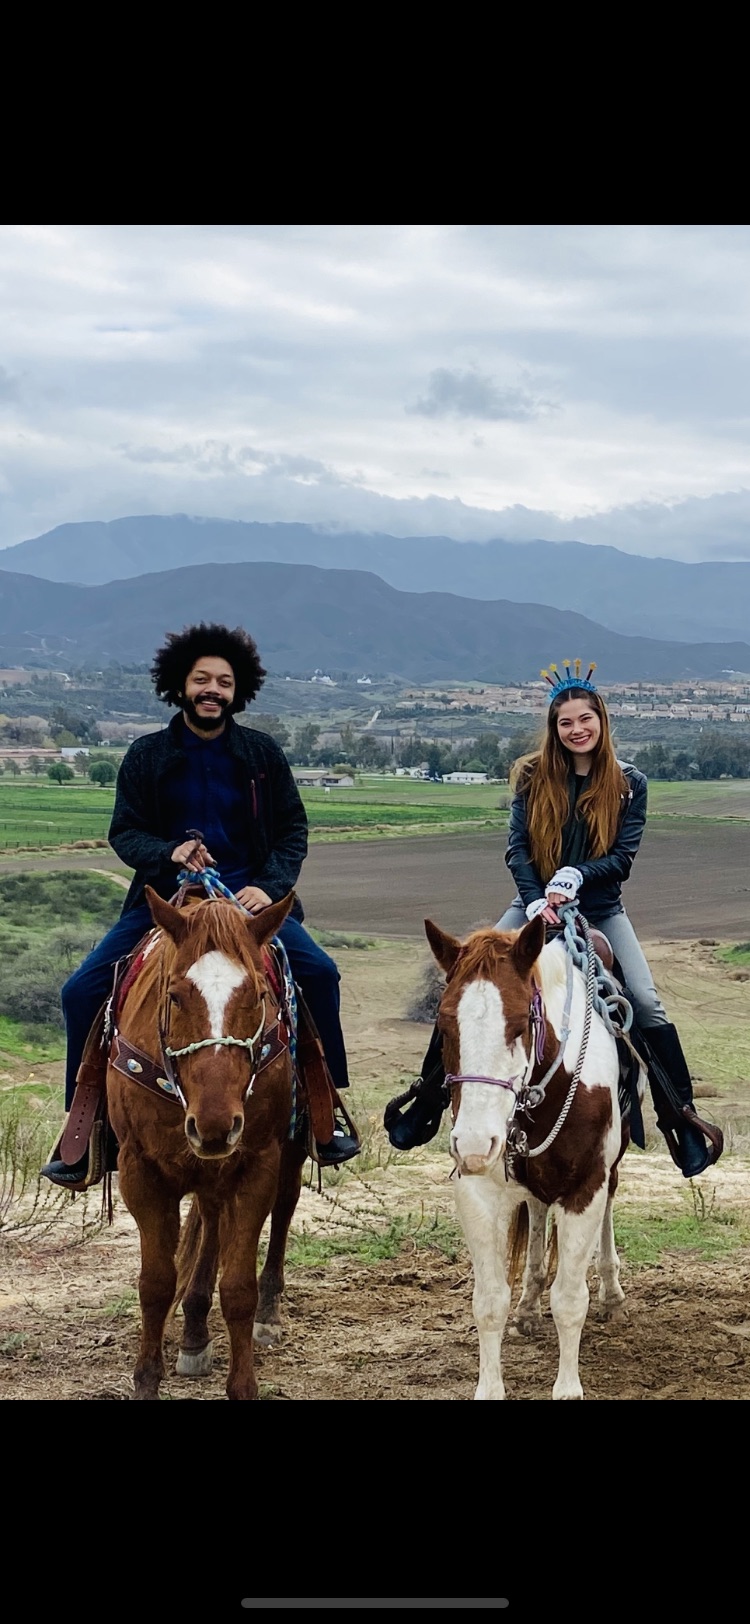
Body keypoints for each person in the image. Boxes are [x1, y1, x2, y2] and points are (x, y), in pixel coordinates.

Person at [41, 622, 360, 1185]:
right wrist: (170, 851)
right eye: (202, 680)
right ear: (180, 686)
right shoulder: (147, 755)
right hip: (170, 906)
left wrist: (270, 883)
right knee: (81, 991)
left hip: (248, 905)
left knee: (320, 973)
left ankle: (321, 1110)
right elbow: (125, 834)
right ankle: (87, 1125)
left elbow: (292, 830)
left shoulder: (261, 754)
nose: (213, 690)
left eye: (224, 682)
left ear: (239, 691)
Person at [386, 659, 723, 1178]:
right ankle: (427, 1101)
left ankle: (679, 1120)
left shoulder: (631, 783)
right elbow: (517, 850)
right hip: (532, 905)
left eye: (584, 719)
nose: (576, 729)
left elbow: (623, 858)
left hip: (602, 908)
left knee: (647, 1003)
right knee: (465, 985)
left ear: (601, 721)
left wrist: (576, 879)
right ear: (554, 728)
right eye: (565, 722)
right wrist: (538, 897)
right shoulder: (530, 776)